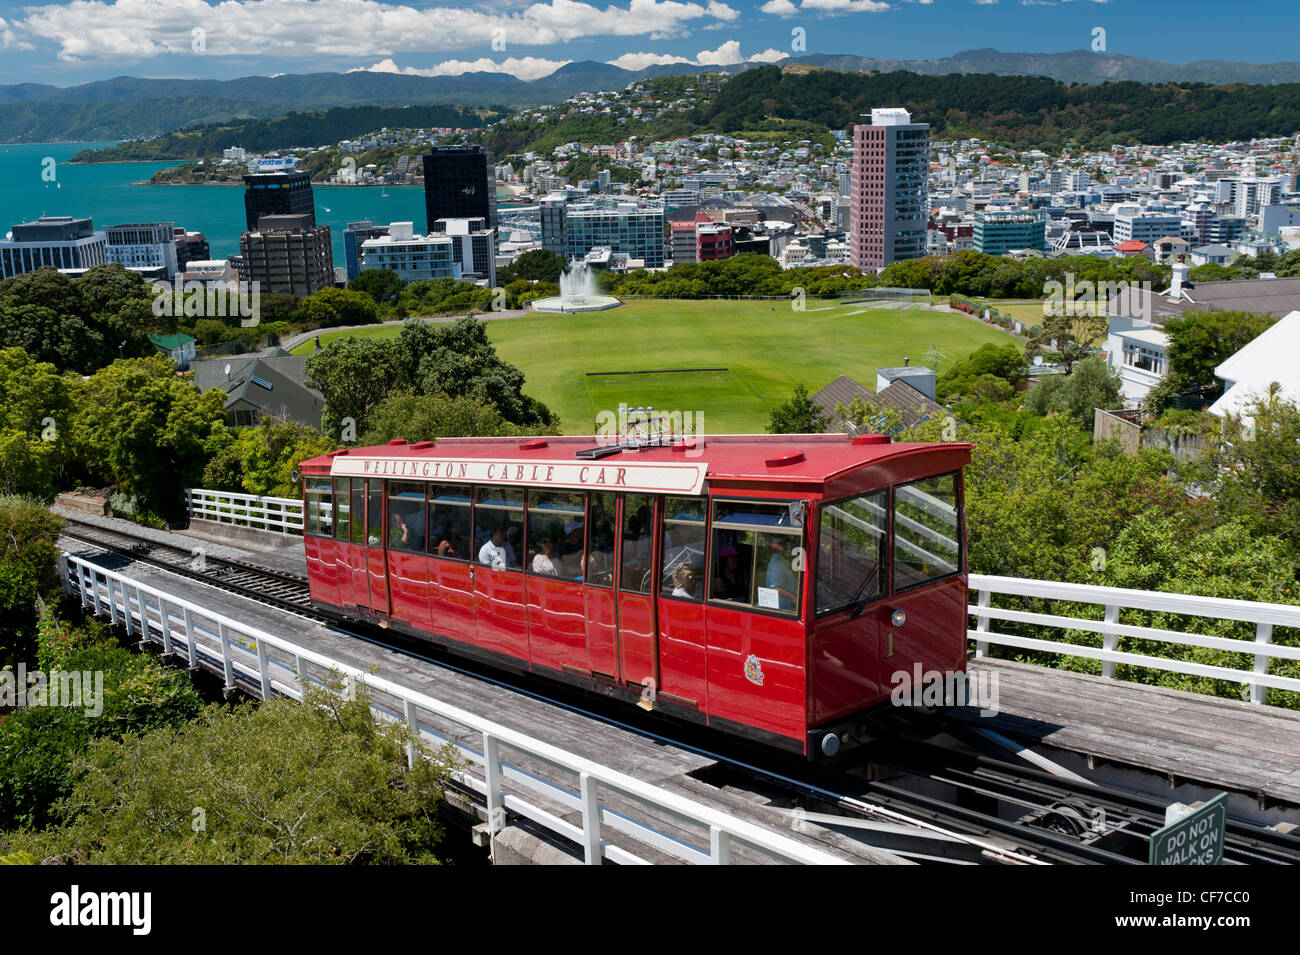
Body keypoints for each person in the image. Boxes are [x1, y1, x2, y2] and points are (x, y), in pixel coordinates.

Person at [764, 537, 798, 611]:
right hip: (783, 609)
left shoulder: (785, 562)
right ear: (783, 550)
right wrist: (793, 597)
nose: (791, 552)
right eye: (789, 549)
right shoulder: (777, 564)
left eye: (792, 549)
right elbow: (775, 588)